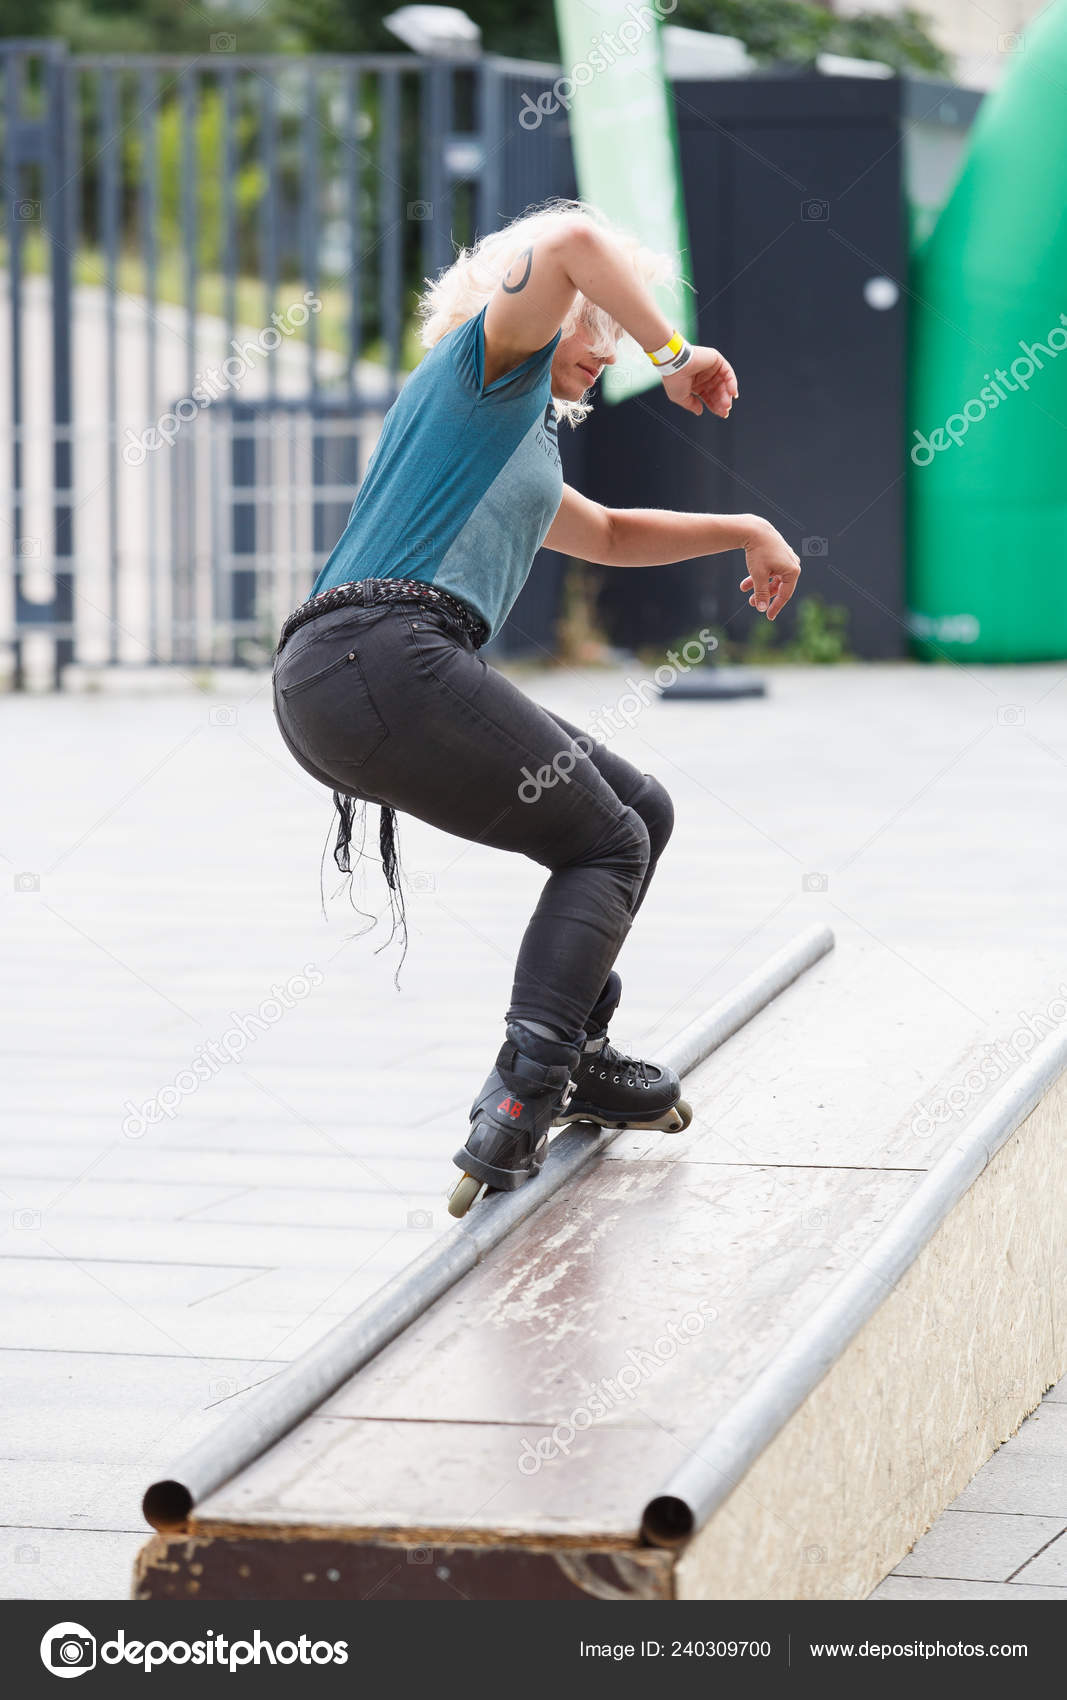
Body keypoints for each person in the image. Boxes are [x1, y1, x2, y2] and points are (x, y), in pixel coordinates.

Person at [271, 198, 801, 1216]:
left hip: (349, 675)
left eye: (615, 335)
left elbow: (602, 533)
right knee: (602, 842)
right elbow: (564, 243)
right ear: (526, 308)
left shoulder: (505, 440)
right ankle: (523, 1088)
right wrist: (674, 348)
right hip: (380, 652)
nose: (606, 350)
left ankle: (575, 1052)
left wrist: (744, 525)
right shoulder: (487, 363)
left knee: (635, 809)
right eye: (595, 326)